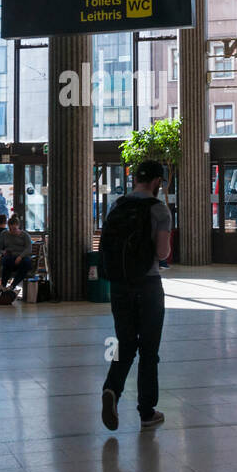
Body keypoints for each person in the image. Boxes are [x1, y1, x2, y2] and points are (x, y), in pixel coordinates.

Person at [100, 160, 173, 432]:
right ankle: (146, 412)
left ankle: (111, 390)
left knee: (126, 344)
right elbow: (163, 253)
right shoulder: (159, 209)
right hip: (148, 285)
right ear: (156, 181)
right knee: (149, 350)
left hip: (119, 286)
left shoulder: (116, 206)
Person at [0, 216, 33, 290]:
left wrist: (20, 257)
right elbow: (0, 249)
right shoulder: (4, 234)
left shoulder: (24, 235)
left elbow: (29, 249)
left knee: (26, 263)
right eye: (10, 229)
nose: (13, 231)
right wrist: (3, 252)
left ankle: (12, 285)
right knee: (6, 261)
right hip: (10, 256)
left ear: (18, 226)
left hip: (22, 257)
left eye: (14, 229)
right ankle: (3, 285)